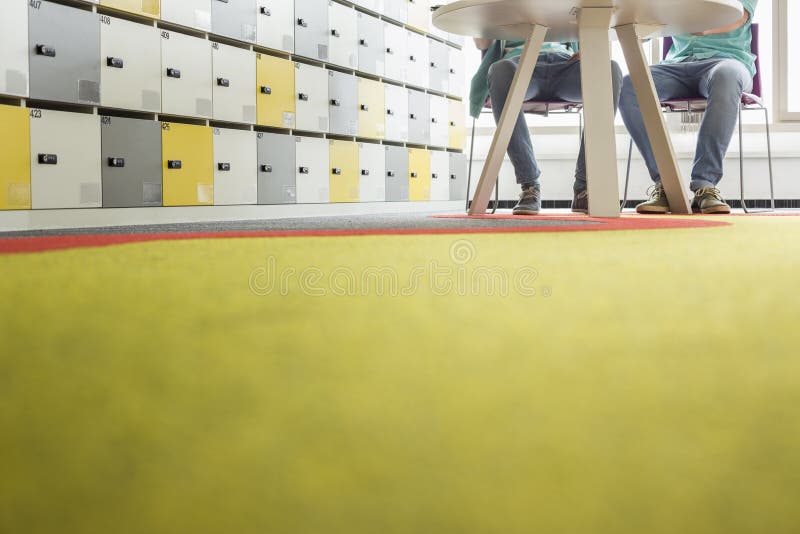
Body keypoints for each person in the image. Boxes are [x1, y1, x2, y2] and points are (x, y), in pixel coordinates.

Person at [619, 0, 758, 214]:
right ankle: (666, 185)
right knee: (629, 85)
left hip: (726, 61)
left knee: (727, 75)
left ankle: (705, 185)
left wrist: (703, 30)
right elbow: (651, 21)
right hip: (678, 65)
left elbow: (740, 16)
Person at [471, 39, 623, 215]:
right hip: (519, 66)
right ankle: (529, 187)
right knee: (499, 70)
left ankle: (583, 187)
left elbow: (602, 27)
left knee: (609, 69)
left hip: (567, 64)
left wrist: (592, 50)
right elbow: (482, 42)